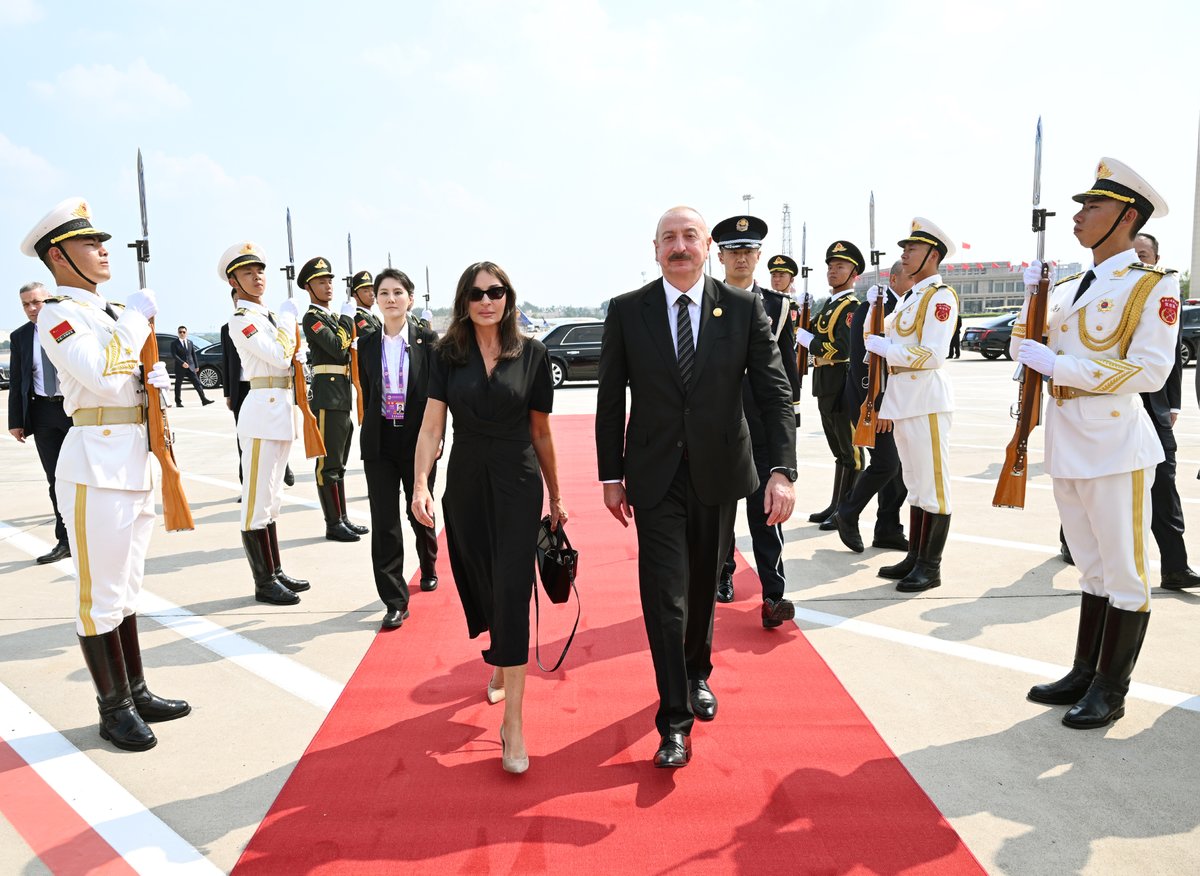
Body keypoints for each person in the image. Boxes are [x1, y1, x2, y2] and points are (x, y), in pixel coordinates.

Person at [596, 206, 797, 768]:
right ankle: (674, 721)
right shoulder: (627, 311)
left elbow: (775, 392)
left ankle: (696, 672)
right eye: (669, 238)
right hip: (653, 474)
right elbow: (610, 398)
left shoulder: (742, 308)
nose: (679, 246)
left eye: (689, 236)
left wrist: (782, 469)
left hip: (719, 471)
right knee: (666, 593)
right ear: (655, 249)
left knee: (705, 583)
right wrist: (610, 475)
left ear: (707, 246)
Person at [1014, 158, 1178, 729]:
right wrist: (1030, 301)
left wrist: (1061, 366)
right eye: (1082, 205)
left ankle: (1112, 689)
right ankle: (1084, 671)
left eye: (1093, 206)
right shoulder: (1065, 287)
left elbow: (1150, 371)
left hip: (1114, 445)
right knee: (1090, 568)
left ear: (1127, 217)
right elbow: (1023, 346)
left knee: (1124, 571)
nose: (1079, 215)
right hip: (1067, 439)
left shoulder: (1152, 285)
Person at [21, 197, 189, 751]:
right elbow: (99, 376)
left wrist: (153, 382)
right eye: (89, 242)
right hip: (95, 465)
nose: (102, 249)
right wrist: (137, 320)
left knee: (128, 588)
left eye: (100, 241)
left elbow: (125, 380)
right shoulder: (56, 313)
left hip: (133, 458)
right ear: (58, 255)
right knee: (100, 595)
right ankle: (112, 709)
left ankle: (135, 691)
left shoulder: (110, 312)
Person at [412, 261, 565, 775]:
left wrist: (557, 496)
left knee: (513, 589)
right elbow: (432, 427)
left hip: (518, 482)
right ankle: (500, 656)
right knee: (481, 580)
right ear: (464, 301)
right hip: (467, 484)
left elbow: (541, 432)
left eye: (495, 292)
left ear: (508, 298)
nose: (486, 301)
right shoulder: (446, 355)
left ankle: (513, 724)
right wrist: (420, 484)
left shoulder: (533, 354)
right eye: (476, 294)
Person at [708, 218, 800, 630]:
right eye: (733, 251)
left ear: (758, 256)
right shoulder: (706, 302)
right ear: (720, 256)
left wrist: (790, 421)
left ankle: (774, 595)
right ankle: (723, 574)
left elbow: (786, 367)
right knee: (721, 512)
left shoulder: (778, 306)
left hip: (761, 424)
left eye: (748, 251)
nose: (741, 258)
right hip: (720, 424)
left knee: (767, 511)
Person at [865, 218, 958, 593]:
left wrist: (889, 349)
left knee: (933, 486)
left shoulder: (940, 297)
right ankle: (915, 557)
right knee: (915, 485)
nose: (904, 254)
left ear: (932, 255)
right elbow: (877, 335)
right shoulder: (911, 298)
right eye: (904, 248)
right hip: (903, 396)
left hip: (925, 399)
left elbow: (934, 354)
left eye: (912, 248)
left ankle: (930, 566)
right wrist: (874, 311)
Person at [223, 241, 310, 607]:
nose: (257, 277)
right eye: (248, 272)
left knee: (273, 498)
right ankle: (263, 581)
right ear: (234, 281)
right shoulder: (241, 319)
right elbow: (277, 356)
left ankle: (275, 570)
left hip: (281, 409)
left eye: (260, 271)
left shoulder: (267, 317)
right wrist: (290, 323)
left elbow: (288, 358)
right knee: (257, 500)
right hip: (261, 413)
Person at [359, 268, 441, 630]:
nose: (391, 299)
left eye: (397, 292)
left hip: (418, 437)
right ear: (375, 300)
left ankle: (429, 562)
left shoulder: (428, 340)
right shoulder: (366, 344)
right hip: (380, 440)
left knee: (418, 507)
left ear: (410, 298)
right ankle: (394, 600)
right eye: (383, 293)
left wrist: (437, 438)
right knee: (384, 521)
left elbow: (439, 395)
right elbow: (367, 390)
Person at [1132, 234, 1199, 590]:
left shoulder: (1163, 292)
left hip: (1153, 407)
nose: (1138, 261)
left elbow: (1171, 355)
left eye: (1144, 255)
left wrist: (1173, 403)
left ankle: (1175, 566)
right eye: (1133, 254)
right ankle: (1071, 540)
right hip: (1110, 408)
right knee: (1098, 480)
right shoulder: (1102, 292)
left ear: (1156, 258)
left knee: (1164, 484)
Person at [831, 261, 912, 553]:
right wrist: (879, 405)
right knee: (886, 463)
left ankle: (888, 528)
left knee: (900, 470)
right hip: (872, 401)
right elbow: (864, 365)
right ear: (894, 278)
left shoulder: (907, 306)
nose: (915, 281)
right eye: (910, 276)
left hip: (900, 402)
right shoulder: (873, 308)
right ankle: (847, 512)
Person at [299, 257, 366, 542]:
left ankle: (342, 518)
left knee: (339, 462)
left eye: (329, 281)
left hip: (341, 394)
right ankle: (332, 523)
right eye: (320, 282)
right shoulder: (312, 319)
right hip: (327, 397)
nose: (327, 286)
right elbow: (338, 348)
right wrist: (348, 319)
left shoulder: (331, 318)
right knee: (327, 464)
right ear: (308, 287)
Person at [798, 240, 865, 525]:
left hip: (842, 382)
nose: (832, 271)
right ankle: (836, 506)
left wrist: (810, 342)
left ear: (854, 274)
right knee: (839, 450)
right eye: (830, 266)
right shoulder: (830, 305)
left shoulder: (852, 307)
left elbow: (843, 349)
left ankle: (845, 513)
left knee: (851, 452)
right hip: (825, 383)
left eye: (840, 266)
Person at [8, 281, 72, 563]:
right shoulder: (20, 336)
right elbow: (18, 381)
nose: (32, 308)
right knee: (55, 479)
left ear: (50, 300)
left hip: (75, 410)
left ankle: (94, 536)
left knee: (89, 477)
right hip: (43, 413)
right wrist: (16, 420)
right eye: (26, 304)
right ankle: (65, 540)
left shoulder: (68, 328)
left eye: (37, 302)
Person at [222, 290, 295, 491]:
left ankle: (283, 470)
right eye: (236, 299)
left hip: (273, 387)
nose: (239, 302)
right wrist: (228, 393)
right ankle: (245, 482)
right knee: (248, 444)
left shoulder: (268, 320)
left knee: (274, 444)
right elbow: (226, 361)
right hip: (244, 387)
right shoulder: (235, 323)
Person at [169, 325, 214, 408]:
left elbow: (193, 354)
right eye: (180, 332)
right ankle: (178, 402)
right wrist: (182, 363)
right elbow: (174, 355)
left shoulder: (190, 342)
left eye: (183, 332)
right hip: (180, 367)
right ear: (178, 333)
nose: (182, 333)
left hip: (191, 367)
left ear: (186, 333)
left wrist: (196, 365)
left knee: (197, 383)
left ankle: (204, 400)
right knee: (178, 385)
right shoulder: (174, 343)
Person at [350, 271, 382, 338]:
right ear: (355, 295)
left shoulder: (375, 317)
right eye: (366, 291)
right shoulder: (358, 317)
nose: (372, 294)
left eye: (372, 290)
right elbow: (373, 338)